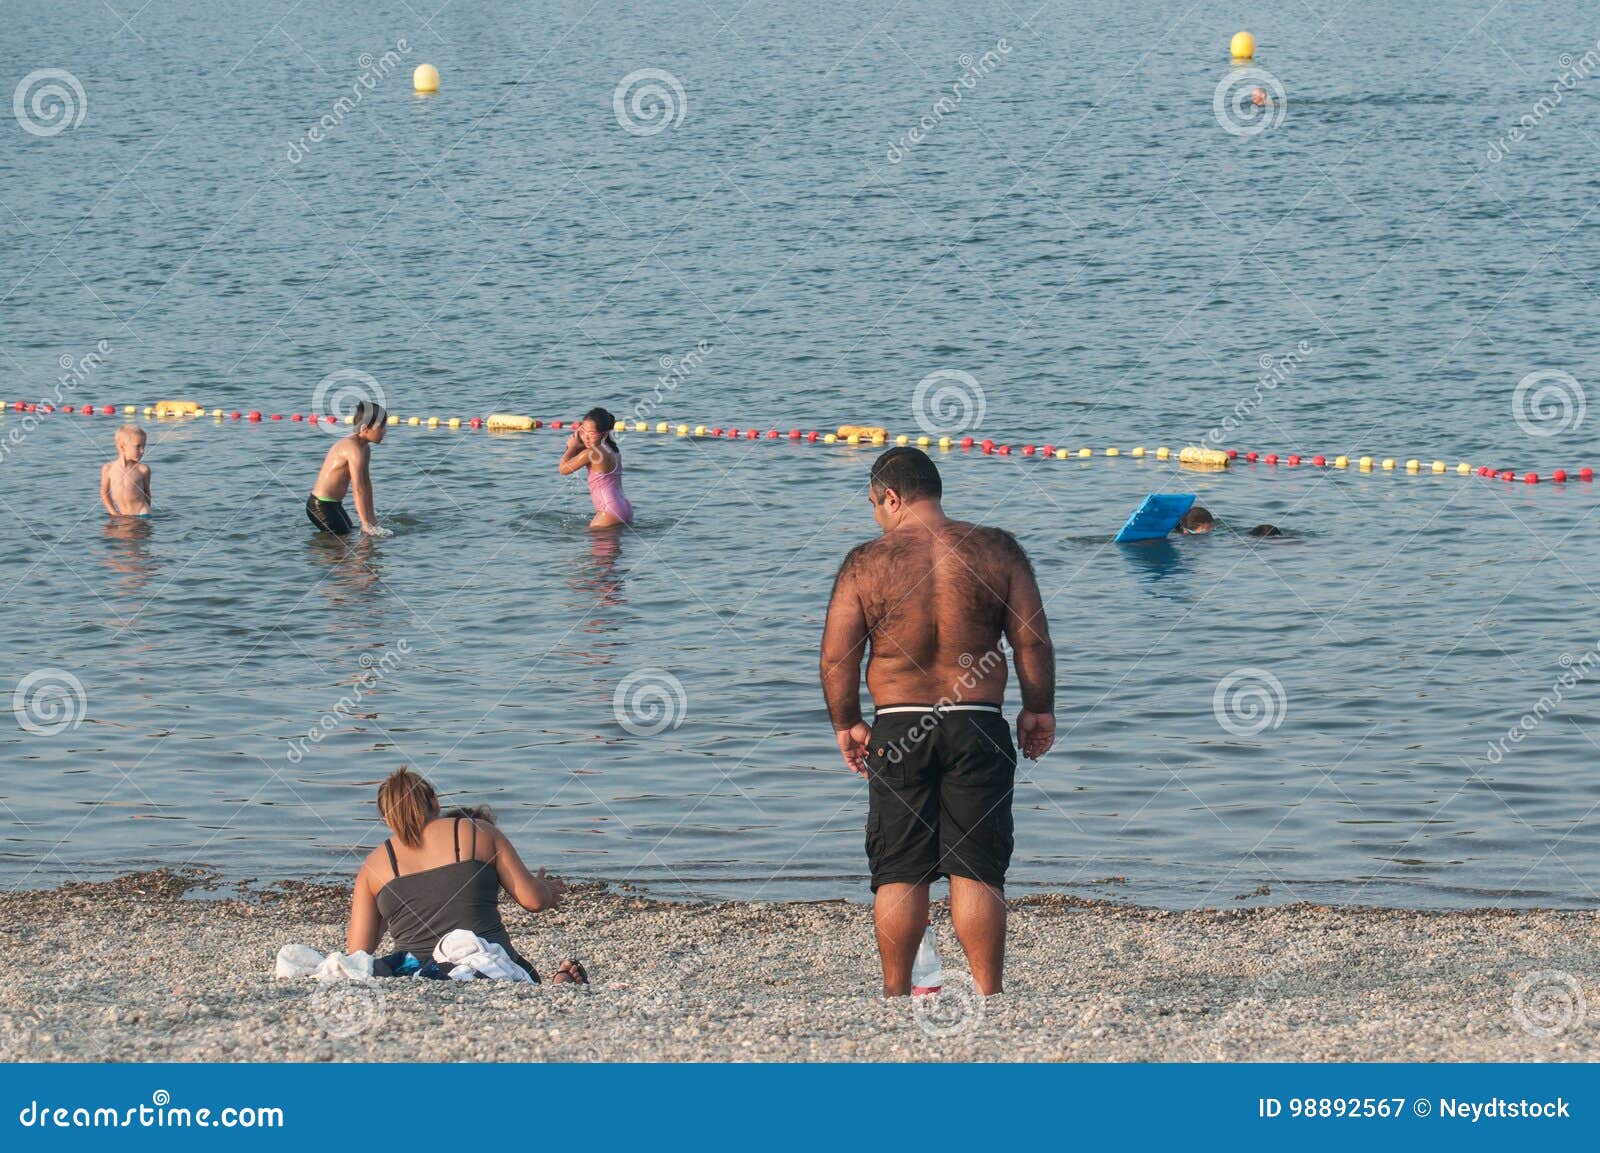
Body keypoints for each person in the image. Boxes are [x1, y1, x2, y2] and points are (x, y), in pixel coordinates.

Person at [820, 447, 1055, 997]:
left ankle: (897, 994)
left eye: (876, 505)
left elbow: (837, 657)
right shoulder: (998, 549)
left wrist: (848, 722)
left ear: (892, 497)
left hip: (899, 728)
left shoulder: (865, 561)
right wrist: (1038, 707)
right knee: (977, 867)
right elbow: (1031, 640)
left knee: (900, 870)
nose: (877, 516)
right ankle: (988, 994)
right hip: (976, 723)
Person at [346, 768, 587, 984]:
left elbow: (358, 953)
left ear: (387, 819)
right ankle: (560, 983)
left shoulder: (372, 867)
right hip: (490, 960)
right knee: (520, 974)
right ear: (434, 801)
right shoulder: (477, 832)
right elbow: (533, 900)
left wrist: (394, 908)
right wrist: (546, 890)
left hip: (415, 973)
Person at [307, 400, 389, 536]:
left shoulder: (365, 448)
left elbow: (366, 485)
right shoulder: (353, 449)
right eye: (381, 427)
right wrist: (365, 524)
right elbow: (358, 488)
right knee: (343, 540)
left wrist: (371, 518)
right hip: (320, 505)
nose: (385, 431)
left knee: (348, 535)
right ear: (364, 428)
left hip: (334, 505)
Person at [558, 407, 633, 528]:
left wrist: (571, 447)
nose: (586, 437)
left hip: (609, 511)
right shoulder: (613, 451)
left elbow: (563, 469)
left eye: (592, 433)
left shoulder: (591, 454)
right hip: (625, 508)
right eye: (583, 431)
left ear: (604, 434)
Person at [100, 425, 151, 516]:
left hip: (141, 513)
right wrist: (113, 513)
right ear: (122, 447)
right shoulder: (108, 469)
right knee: (109, 530)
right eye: (138, 446)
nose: (142, 451)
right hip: (121, 514)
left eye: (144, 446)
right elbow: (104, 493)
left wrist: (147, 514)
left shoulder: (142, 470)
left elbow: (147, 492)